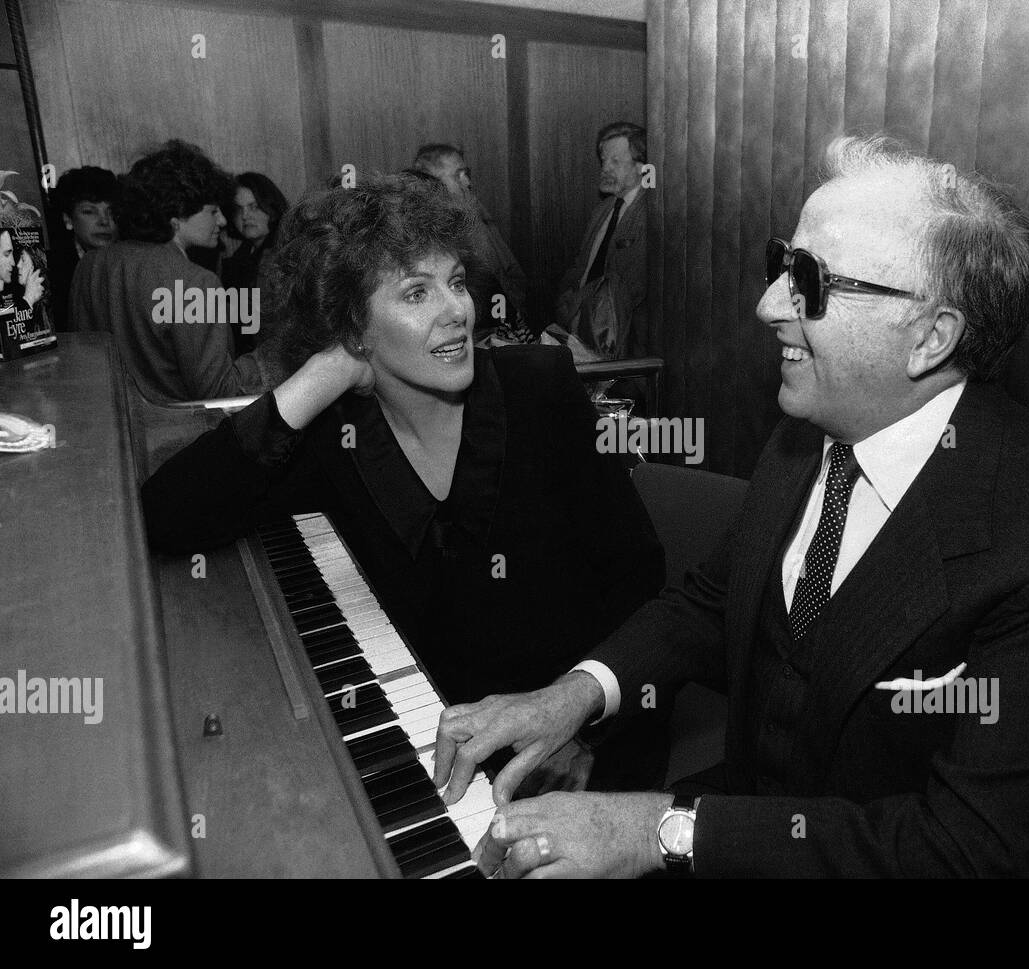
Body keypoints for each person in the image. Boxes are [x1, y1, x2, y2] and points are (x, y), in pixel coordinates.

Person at [433, 134, 1029, 878]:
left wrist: (661, 829)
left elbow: (967, 853)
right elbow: (714, 604)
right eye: (781, 263)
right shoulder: (807, 431)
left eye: (809, 279)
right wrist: (572, 695)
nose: (767, 303)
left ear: (930, 337)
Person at [140, 171, 668, 792]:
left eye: (457, 282)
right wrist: (319, 377)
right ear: (355, 327)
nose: (457, 311)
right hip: (427, 736)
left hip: (573, 736)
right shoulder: (336, 436)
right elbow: (167, 516)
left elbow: (640, 579)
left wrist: (574, 722)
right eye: (415, 294)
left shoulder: (540, 390)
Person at [68, 140, 267, 403]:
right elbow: (219, 394)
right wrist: (273, 357)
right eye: (213, 211)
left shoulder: (90, 265)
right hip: (183, 437)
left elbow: (82, 367)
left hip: (114, 432)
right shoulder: (196, 282)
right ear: (178, 214)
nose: (221, 221)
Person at [412, 144, 531, 344]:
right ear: (431, 183)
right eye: (458, 175)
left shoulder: (475, 213)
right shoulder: (425, 231)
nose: (467, 182)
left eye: (466, 174)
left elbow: (509, 273)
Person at [552, 121, 648, 361]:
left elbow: (636, 283)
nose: (605, 167)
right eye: (603, 160)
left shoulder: (651, 214)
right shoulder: (602, 210)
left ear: (642, 168)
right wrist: (566, 302)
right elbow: (581, 265)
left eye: (615, 161)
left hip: (622, 337)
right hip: (580, 325)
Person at [221, 171, 288, 354]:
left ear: (271, 208)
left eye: (254, 207)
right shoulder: (238, 257)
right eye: (238, 209)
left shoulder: (286, 254)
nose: (244, 216)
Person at [47, 166, 119, 331]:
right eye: (89, 212)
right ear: (68, 219)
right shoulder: (52, 270)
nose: (104, 221)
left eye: (111, 212)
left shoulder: (131, 260)